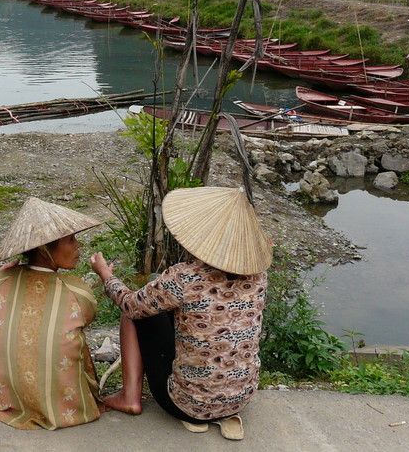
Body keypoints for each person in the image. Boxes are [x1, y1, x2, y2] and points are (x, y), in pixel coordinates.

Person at [90, 186, 272, 442]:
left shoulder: (184, 278)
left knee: (135, 314)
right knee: (167, 306)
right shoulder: (258, 277)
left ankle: (129, 396)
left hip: (186, 405)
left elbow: (131, 304)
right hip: (240, 400)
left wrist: (106, 275)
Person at [0, 197, 103, 430]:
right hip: (66, 408)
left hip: (5, 399)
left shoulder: (1, 281)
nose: (78, 246)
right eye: (71, 240)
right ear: (44, 249)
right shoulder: (77, 290)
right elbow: (87, 317)